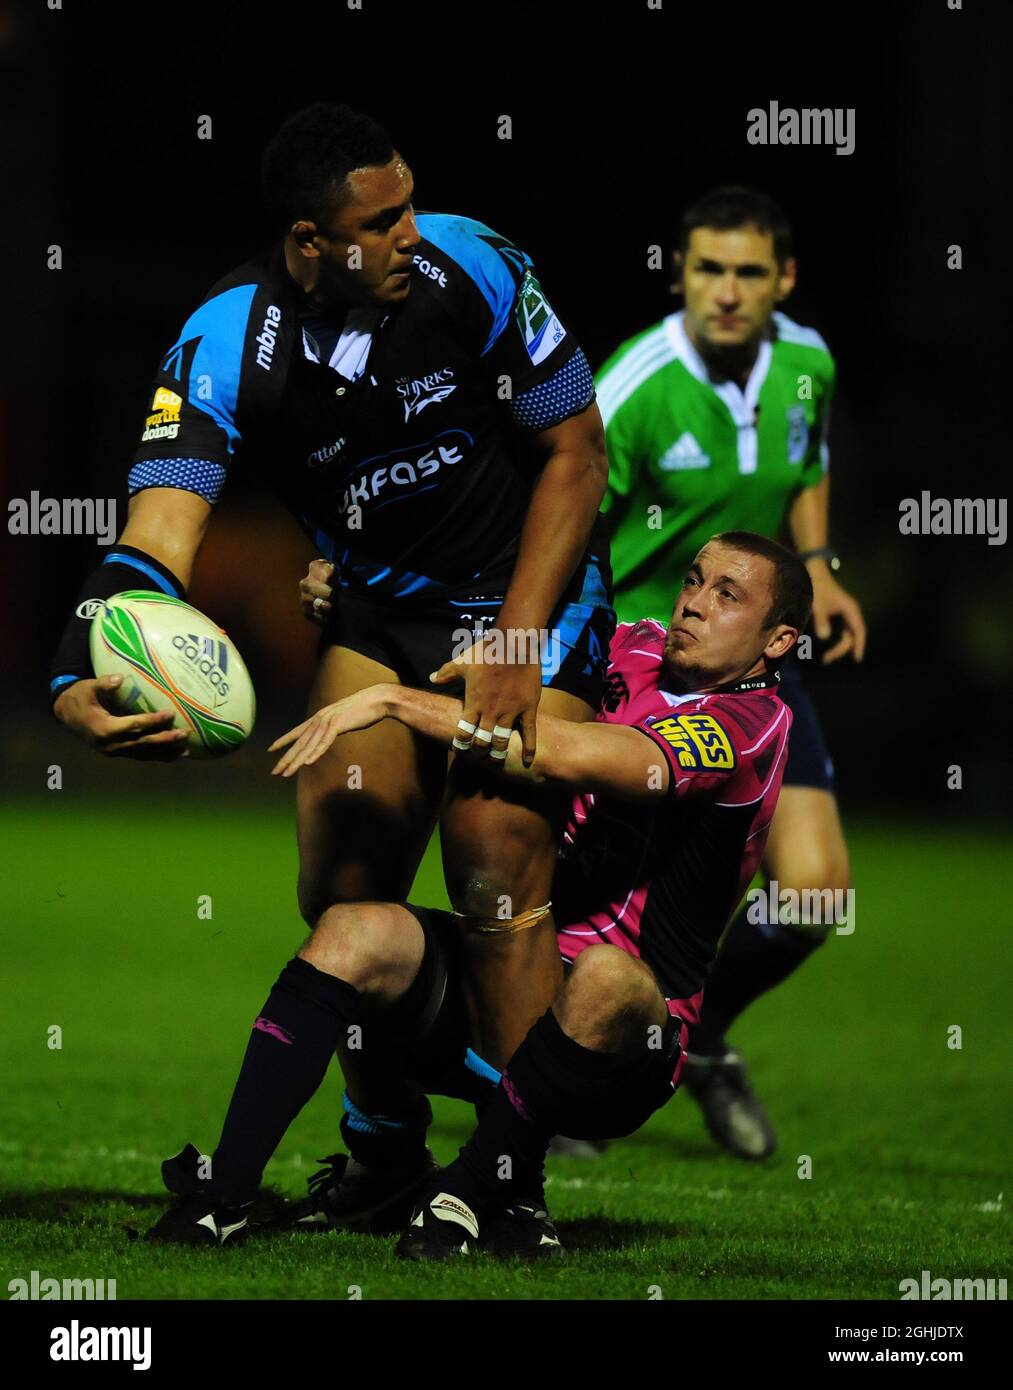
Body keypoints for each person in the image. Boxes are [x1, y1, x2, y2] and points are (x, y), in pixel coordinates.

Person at [48, 103, 615, 1094]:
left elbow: (576, 454)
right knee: (343, 878)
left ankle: (511, 1178)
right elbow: (157, 535)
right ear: (310, 240)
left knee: (494, 849)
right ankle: (382, 1148)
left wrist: (517, 641)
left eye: (410, 203)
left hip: (527, 592)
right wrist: (72, 668)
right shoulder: (225, 342)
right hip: (377, 608)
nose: (410, 232)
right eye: (380, 221)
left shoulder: (471, 265)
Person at [145, 532, 808, 1258]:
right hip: (501, 983)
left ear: (777, 641)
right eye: (693, 580)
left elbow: (570, 754)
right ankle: (225, 1197)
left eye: (726, 595)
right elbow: (490, 636)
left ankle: (469, 1190)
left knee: (606, 978)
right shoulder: (629, 647)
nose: (693, 603)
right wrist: (360, 595)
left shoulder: (752, 726)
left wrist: (397, 700)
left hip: (621, 1050)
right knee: (350, 930)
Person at [593, 186, 866, 1158]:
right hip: (638, 673)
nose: (725, 291)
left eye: (748, 272)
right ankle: (567, 1078)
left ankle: (694, 1037)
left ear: (782, 279)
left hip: (755, 674)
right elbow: (568, 505)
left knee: (815, 894)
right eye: (707, 268)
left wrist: (819, 568)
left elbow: (806, 457)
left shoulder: (807, 361)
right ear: (679, 272)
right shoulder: (634, 382)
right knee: (600, 900)